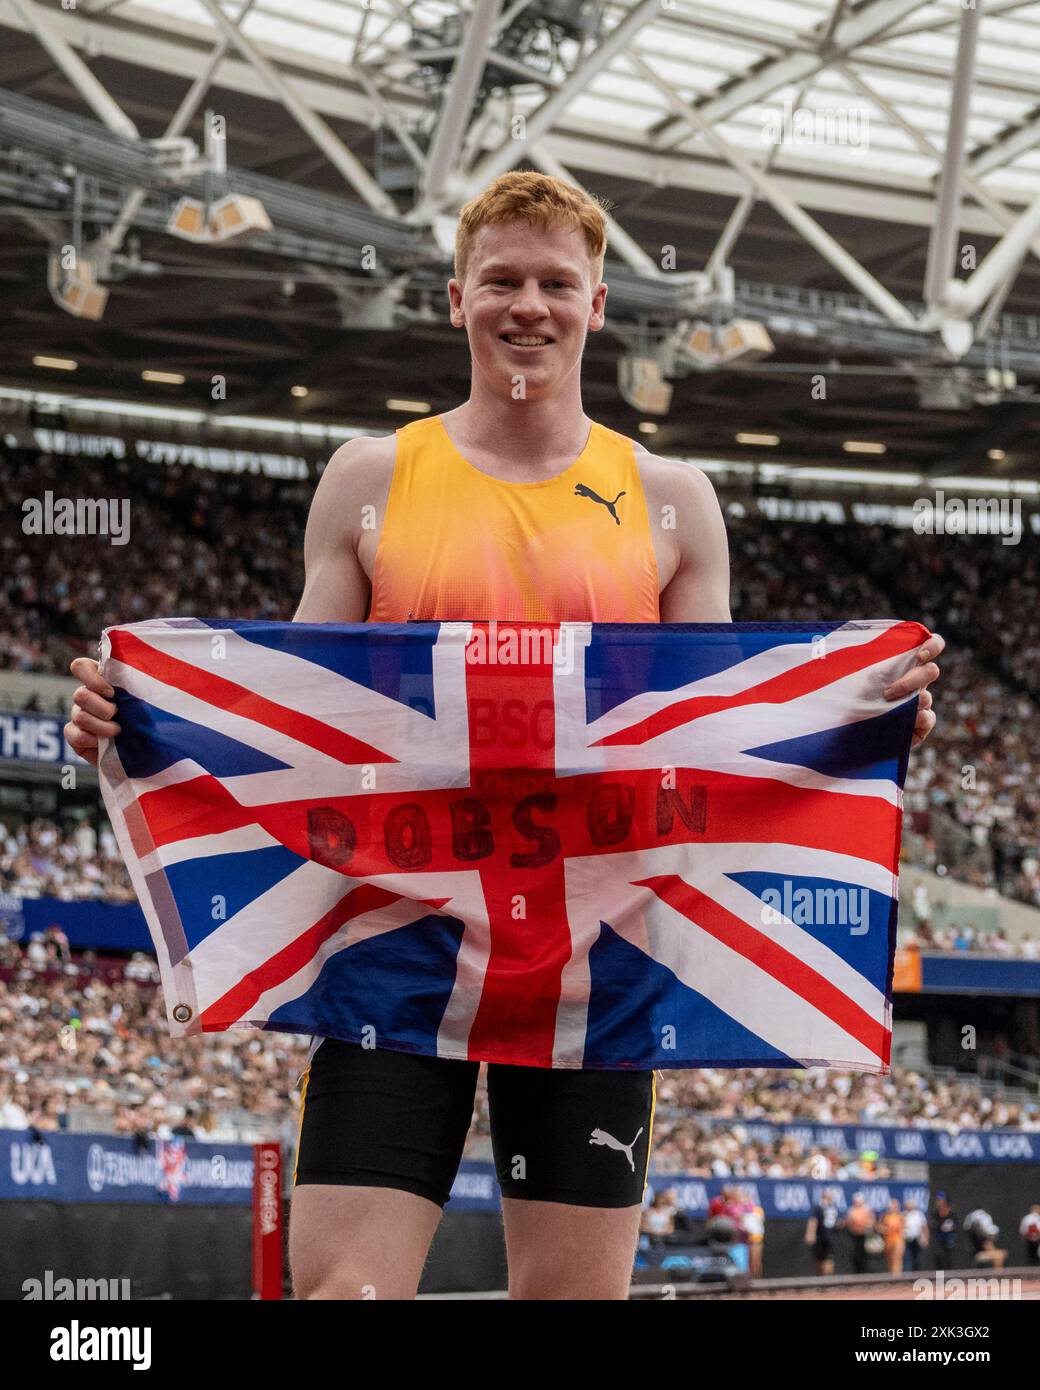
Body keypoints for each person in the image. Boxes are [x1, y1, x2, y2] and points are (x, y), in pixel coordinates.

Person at [64, 170, 946, 1301]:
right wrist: (129, 717)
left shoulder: (671, 498)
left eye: (553, 283)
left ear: (596, 301)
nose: (527, 304)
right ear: (453, 299)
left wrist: (846, 726)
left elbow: (718, 736)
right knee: (344, 1296)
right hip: (396, 935)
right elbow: (284, 714)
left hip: (599, 950)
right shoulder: (371, 479)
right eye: (501, 281)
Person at [805, 1188, 840, 1276]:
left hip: (828, 1236)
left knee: (827, 1259)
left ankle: (826, 1280)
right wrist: (811, 1233)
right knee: (821, 1260)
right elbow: (813, 1221)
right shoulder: (820, 1207)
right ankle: (823, 1280)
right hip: (822, 1236)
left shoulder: (832, 1207)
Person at [844, 1192, 875, 1275]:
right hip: (854, 1236)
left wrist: (866, 1226)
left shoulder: (867, 1209)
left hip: (865, 1235)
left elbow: (871, 1221)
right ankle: (856, 1272)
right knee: (855, 1255)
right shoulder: (851, 1210)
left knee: (865, 1255)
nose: (857, 1202)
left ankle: (865, 1272)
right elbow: (848, 1222)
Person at [878, 1197, 905, 1275]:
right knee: (889, 1259)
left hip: (898, 1239)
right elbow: (879, 1227)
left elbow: (904, 1227)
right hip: (888, 1240)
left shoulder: (900, 1216)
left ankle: (897, 1276)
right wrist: (885, 1230)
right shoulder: (885, 1216)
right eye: (892, 1206)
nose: (893, 1207)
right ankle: (891, 1276)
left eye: (895, 1206)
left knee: (897, 1258)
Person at [932, 1194, 958, 1269]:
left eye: (941, 1200)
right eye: (938, 1200)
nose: (939, 1202)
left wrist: (950, 1228)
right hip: (939, 1237)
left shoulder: (951, 1211)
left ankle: (949, 1276)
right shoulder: (935, 1212)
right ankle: (939, 1277)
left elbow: (955, 1224)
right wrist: (939, 1226)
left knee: (948, 1257)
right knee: (939, 1256)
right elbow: (933, 1223)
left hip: (949, 1237)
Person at [902, 1197, 928, 1272]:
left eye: (910, 1205)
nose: (909, 1207)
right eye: (908, 1205)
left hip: (917, 1238)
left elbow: (924, 1227)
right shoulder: (904, 1214)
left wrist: (926, 1238)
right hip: (907, 1239)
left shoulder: (919, 1214)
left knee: (917, 1257)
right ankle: (908, 1276)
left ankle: (918, 1275)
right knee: (907, 1258)